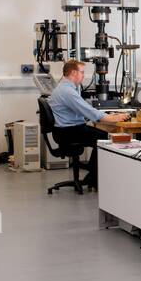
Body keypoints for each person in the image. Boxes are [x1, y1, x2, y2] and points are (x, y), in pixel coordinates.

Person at [46, 59, 124, 187]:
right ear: (73, 73)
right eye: (82, 72)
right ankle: (94, 178)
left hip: (65, 131)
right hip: (70, 132)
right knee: (106, 140)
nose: (84, 75)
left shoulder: (64, 88)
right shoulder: (67, 92)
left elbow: (84, 107)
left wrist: (106, 115)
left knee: (102, 137)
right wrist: (113, 118)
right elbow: (89, 112)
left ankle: (92, 176)